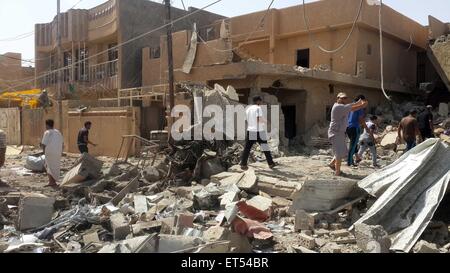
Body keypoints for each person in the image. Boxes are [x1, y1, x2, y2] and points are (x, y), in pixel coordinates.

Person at [328, 92, 368, 176]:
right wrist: (362, 105)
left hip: (340, 132)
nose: (343, 99)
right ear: (337, 98)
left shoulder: (342, 106)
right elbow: (352, 108)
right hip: (336, 132)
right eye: (341, 98)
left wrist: (358, 102)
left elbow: (351, 106)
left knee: (342, 151)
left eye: (345, 98)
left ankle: (332, 164)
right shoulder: (339, 107)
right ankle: (338, 172)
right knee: (340, 152)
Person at [240, 96, 276, 170]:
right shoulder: (258, 108)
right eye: (261, 101)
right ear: (258, 101)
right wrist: (267, 122)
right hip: (259, 131)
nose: (262, 103)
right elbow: (258, 119)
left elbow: (245, 120)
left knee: (247, 148)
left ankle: (243, 164)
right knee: (265, 147)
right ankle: (271, 163)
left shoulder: (248, 109)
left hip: (250, 131)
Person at [346, 95, 369, 166]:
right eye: (365, 101)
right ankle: (349, 162)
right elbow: (361, 119)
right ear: (361, 100)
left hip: (348, 127)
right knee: (352, 146)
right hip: (355, 128)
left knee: (353, 144)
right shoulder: (359, 108)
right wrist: (366, 128)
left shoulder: (351, 106)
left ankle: (355, 159)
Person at [40, 119, 64, 187]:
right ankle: (54, 181)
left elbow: (44, 144)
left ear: (47, 125)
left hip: (50, 152)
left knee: (49, 166)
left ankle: (51, 182)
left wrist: (44, 152)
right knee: (55, 166)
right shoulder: (58, 132)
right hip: (58, 152)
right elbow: (62, 143)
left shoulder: (47, 132)